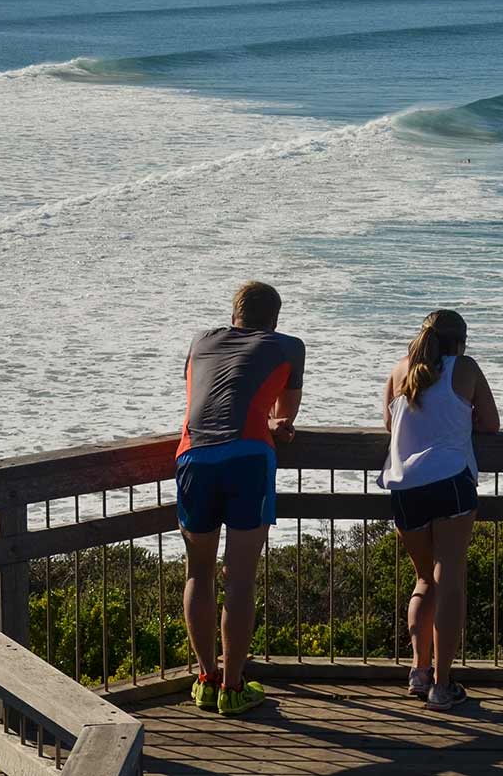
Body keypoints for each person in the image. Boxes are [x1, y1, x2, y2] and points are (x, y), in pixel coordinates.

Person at [176, 280, 303, 717]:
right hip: (248, 455)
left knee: (199, 573)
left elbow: (206, 393)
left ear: (234, 315)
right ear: (275, 319)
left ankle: (205, 678)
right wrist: (279, 426)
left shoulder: (200, 340)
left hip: (193, 455)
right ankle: (233, 686)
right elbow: (283, 414)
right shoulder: (288, 346)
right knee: (241, 579)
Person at [377, 309, 501, 711]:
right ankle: (443, 686)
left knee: (423, 580)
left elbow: (388, 424)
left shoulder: (399, 371)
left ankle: (418, 671)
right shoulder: (465, 368)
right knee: (449, 581)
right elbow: (491, 424)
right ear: (460, 341)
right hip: (450, 479)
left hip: (404, 487)